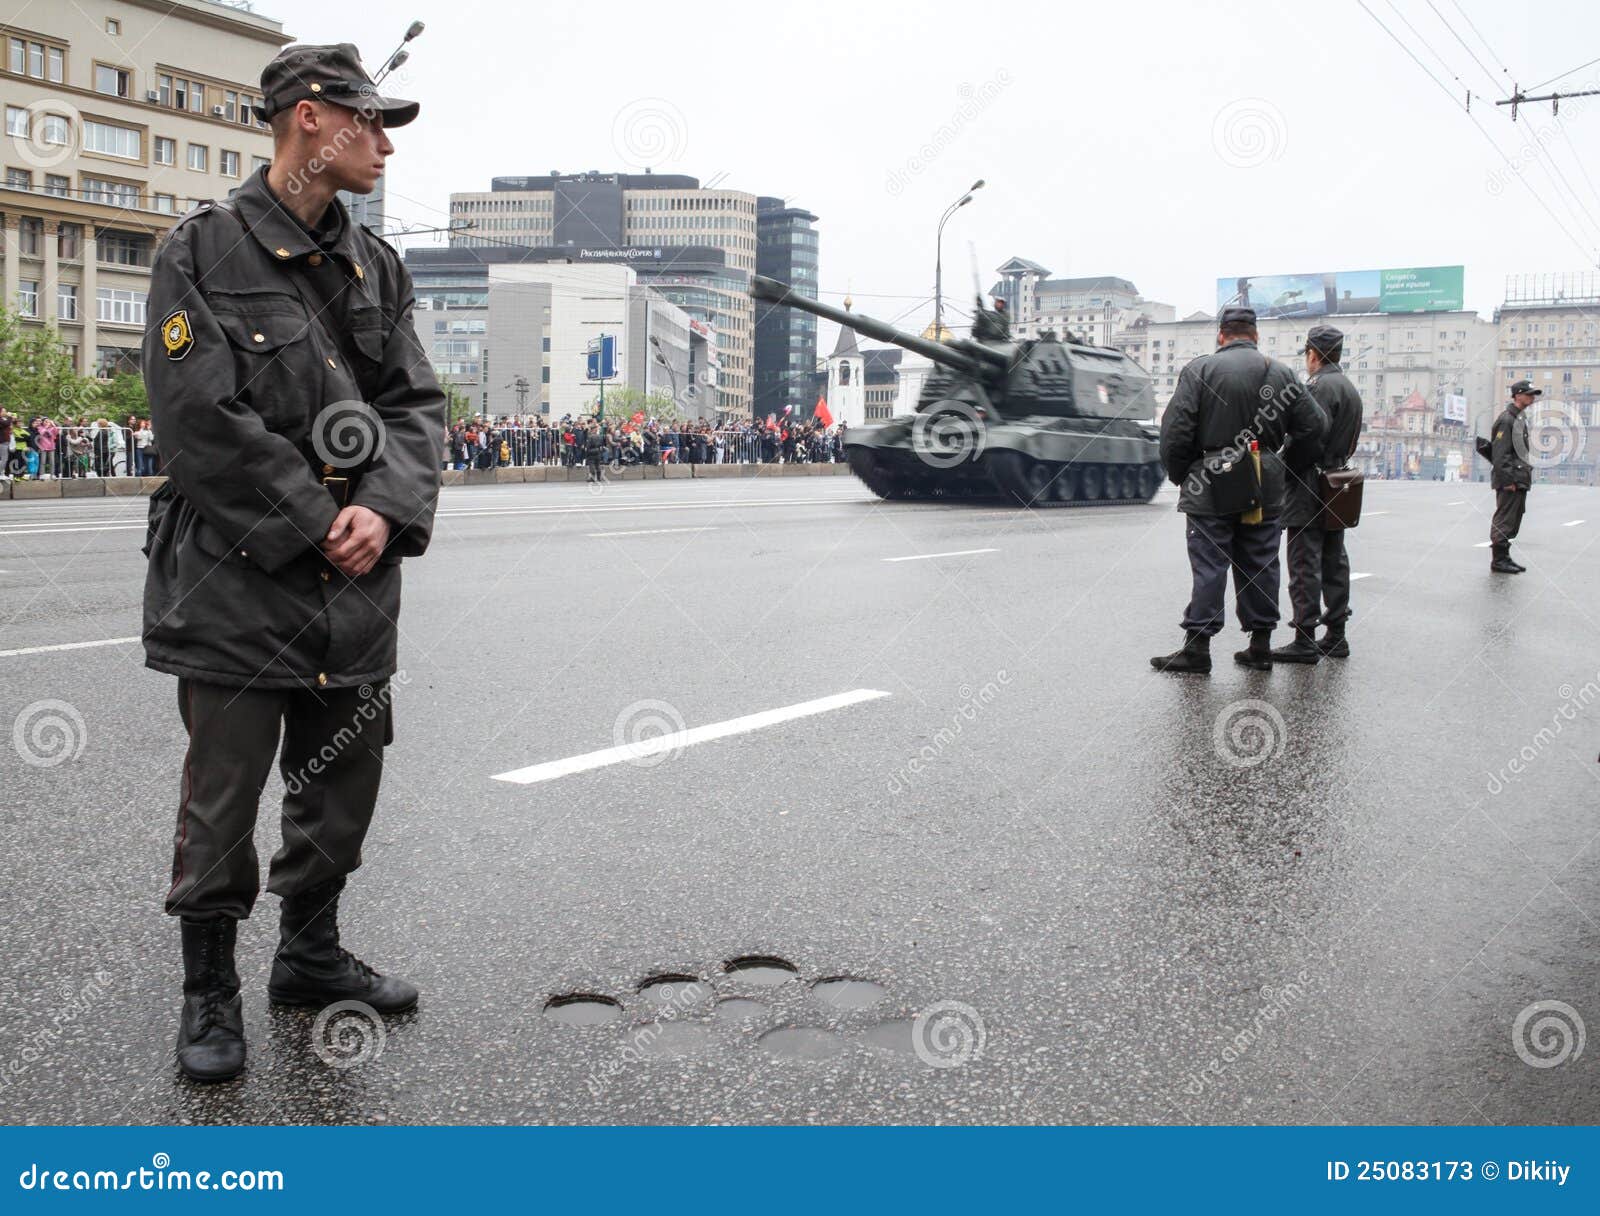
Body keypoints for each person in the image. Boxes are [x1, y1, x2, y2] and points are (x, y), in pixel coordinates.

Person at [140, 42, 443, 1083]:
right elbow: (198, 421)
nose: (385, 142)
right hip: (235, 575)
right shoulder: (203, 251)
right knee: (221, 800)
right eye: (369, 120)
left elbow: (416, 407)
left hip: (351, 584)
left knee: (341, 784)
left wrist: (386, 508)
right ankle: (208, 991)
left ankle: (308, 956)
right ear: (310, 119)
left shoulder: (377, 263)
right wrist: (320, 517)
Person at [1151, 306, 1326, 674]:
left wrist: (1184, 473)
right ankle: (1260, 646)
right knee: (1261, 561)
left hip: (1211, 478)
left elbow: (1175, 431)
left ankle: (1198, 648)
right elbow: (1315, 426)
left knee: (1210, 564)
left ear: (1221, 335)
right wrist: (1282, 464)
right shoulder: (1281, 373)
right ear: (1256, 335)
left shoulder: (1200, 370)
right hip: (1264, 480)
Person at [1272, 324, 1364, 663]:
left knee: (1303, 560)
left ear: (1313, 354)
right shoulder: (1350, 388)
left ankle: (1304, 638)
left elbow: (1307, 436)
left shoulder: (1317, 386)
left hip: (1310, 481)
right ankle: (1336, 635)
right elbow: (1351, 439)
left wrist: (1285, 467)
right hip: (1338, 479)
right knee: (1334, 558)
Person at [1490, 380, 1538, 574]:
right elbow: (1500, 454)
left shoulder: (1518, 418)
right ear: (1517, 395)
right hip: (1510, 481)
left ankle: (1505, 557)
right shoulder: (1507, 419)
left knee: (1514, 520)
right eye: (1529, 393)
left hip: (1519, 479)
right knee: (1505, 519)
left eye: (1533, 394)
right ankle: (1498, 560)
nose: (1532, 397)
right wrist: (1508, 480)